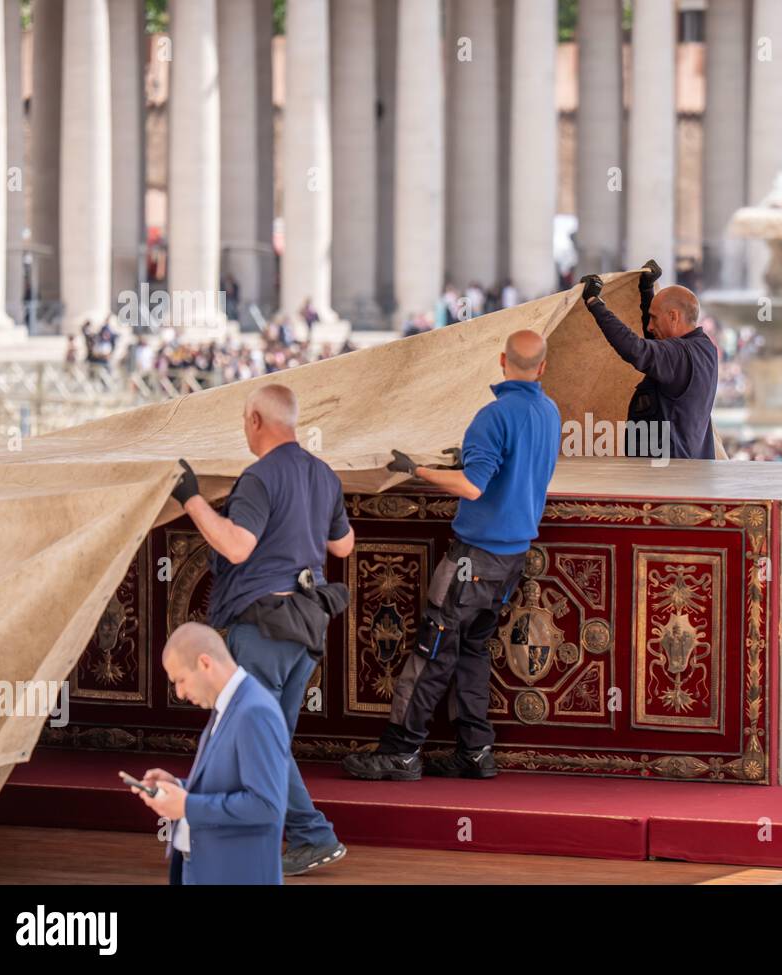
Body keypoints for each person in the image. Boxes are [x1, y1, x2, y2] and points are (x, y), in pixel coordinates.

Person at [343, 331, 561, 781]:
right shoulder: (550, 411)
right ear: (542, 367)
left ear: (502, 361)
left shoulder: (492, 416)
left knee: (433, 649)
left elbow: (472, 486)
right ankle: (476, 751)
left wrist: (417, 469)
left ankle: (401, 752)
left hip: (473, 558)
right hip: (512, 558)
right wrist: (473, 458)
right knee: (473, 652)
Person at [172, 383, 354, 876]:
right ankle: (277, 837)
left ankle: (312, 835)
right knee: (269, 740)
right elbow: (343, 546)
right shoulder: (323, 473)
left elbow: (235, 547)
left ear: (254, 419)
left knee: (255, 737)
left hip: (263, 629)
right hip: (306, 626)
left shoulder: (258, 478)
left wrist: (190, 497)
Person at [130, 622, 289, 885]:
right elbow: (229, 783)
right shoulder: (229, 706)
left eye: (180, 680)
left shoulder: (254, 712)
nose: (179, 693)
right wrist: (179, 786)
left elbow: (267, 805)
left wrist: (186, 805)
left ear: (205, 663)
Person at [579, 260, 718, 460]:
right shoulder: (704, 348)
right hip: (685, 469)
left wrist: (595, 303)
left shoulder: (679, 355)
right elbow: (656, 344)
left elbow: (636, 349)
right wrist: (646, 290)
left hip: (666, 477)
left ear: (673, 316)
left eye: (654, 318)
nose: (650, 326)